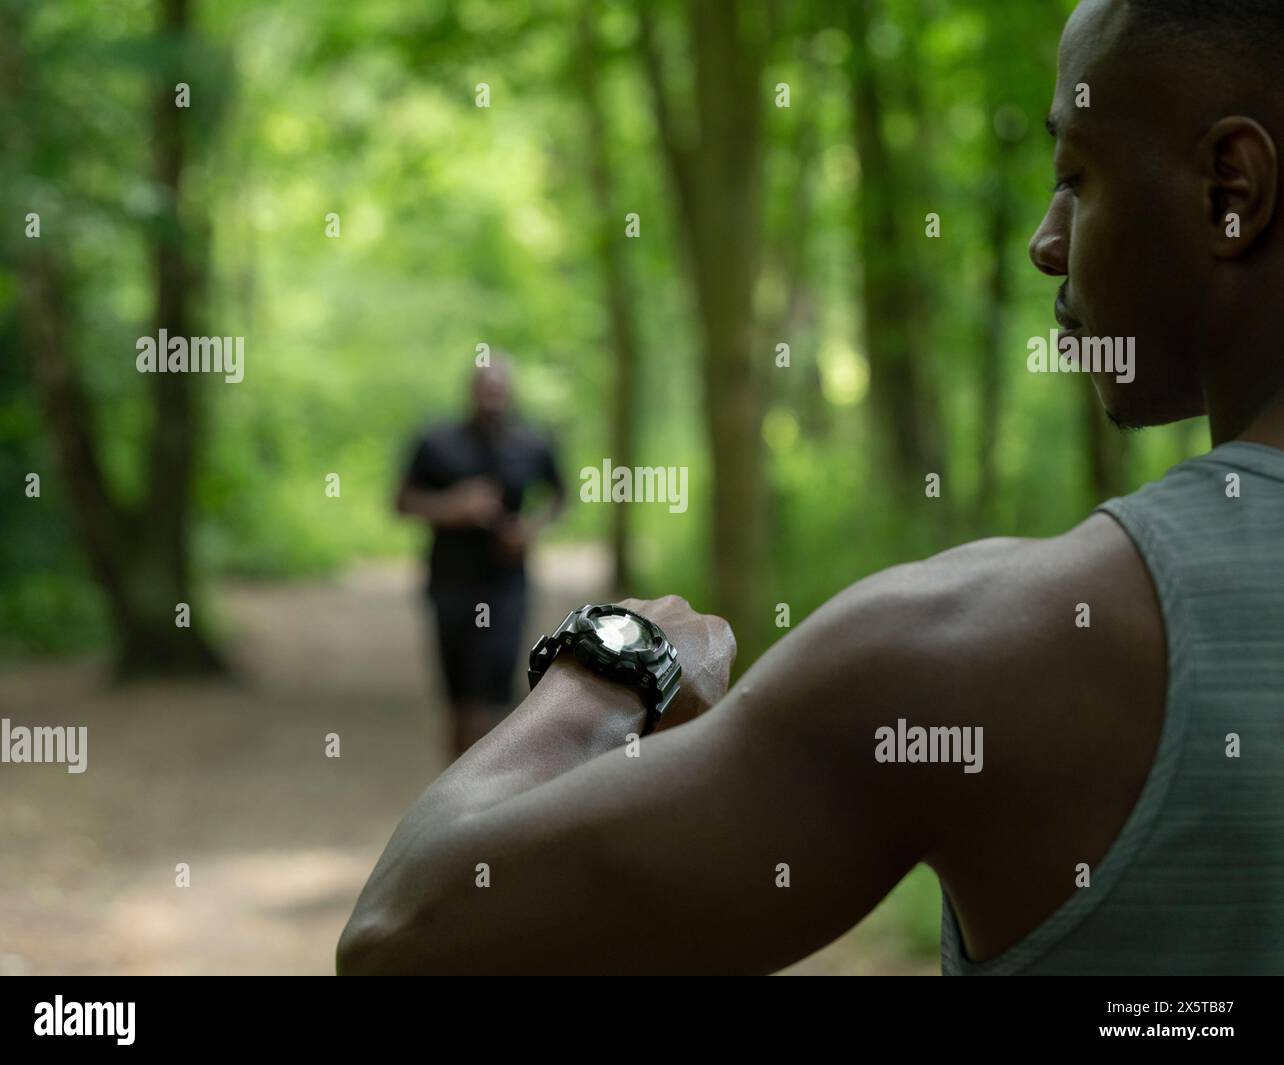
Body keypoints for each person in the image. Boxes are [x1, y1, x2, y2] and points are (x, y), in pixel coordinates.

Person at [341, 0, 1284, 975]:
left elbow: (402, 935)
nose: (1047, 241)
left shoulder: (994, 645)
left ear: (1230, 187)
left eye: (1075, 177)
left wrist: (614, 660)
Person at [396, 359, 564, 759]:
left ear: (511, 393)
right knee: (457, 698)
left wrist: (528, 529)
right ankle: (452, 790)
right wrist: (451, 508)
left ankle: (489, 790)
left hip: (506, 586)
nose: (492, 399)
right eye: (485, 390)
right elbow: (401, 501)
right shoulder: (436, 441)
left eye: (499, 390)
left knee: (496, 691)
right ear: (470, 391)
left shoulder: (534, 442)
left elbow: (560, 498)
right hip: (450, 584)